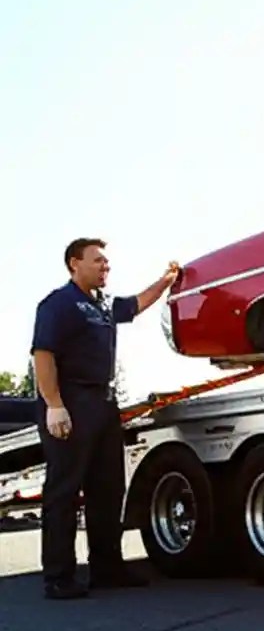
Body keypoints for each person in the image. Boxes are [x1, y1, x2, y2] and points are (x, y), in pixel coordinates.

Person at [30, 237, 179, 599]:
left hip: (103, 402)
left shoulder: (104, 305)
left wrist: (166, 281)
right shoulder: (58, 304)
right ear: (74, 264)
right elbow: (43, 355)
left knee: (108, 489)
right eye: (98, 261)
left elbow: (137, 304)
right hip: (70, 401)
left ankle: (107, 567)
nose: (105, 267)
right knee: (64, 490)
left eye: (106, 262)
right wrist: (54, 405)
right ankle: (59, 576)